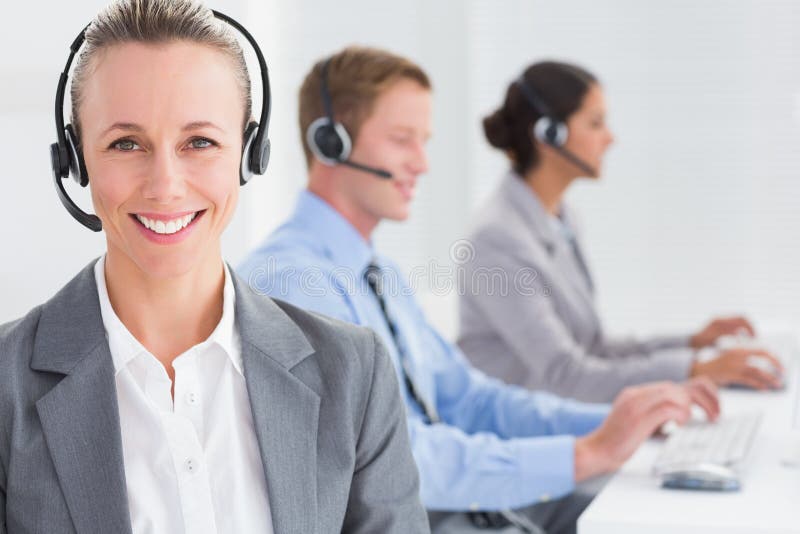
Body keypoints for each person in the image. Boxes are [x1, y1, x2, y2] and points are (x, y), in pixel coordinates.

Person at [238, 46, 721, 534]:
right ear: (330, 143)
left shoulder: (380, 274)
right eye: (403, 140)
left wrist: (612, 422)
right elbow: (395, 463)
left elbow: (469, 400)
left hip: (456, 507)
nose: (422, 163)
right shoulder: (290, 284)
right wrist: (584, 454)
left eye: (424, 142)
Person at [0, 2, 429, 533]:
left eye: (199, 142)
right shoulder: (7, 386)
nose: (165, 186)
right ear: (75, 159)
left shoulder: (353, 373)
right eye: (125, 143)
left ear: (249, 154)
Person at [457, 60, 785, 403]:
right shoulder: (496, 239)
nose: (610, 138)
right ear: (549, 133)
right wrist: (695, 370)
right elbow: (566, 376)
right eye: (595, 123)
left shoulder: (561, 218)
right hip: (519, 427)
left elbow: (594, 348)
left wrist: (692, 343)